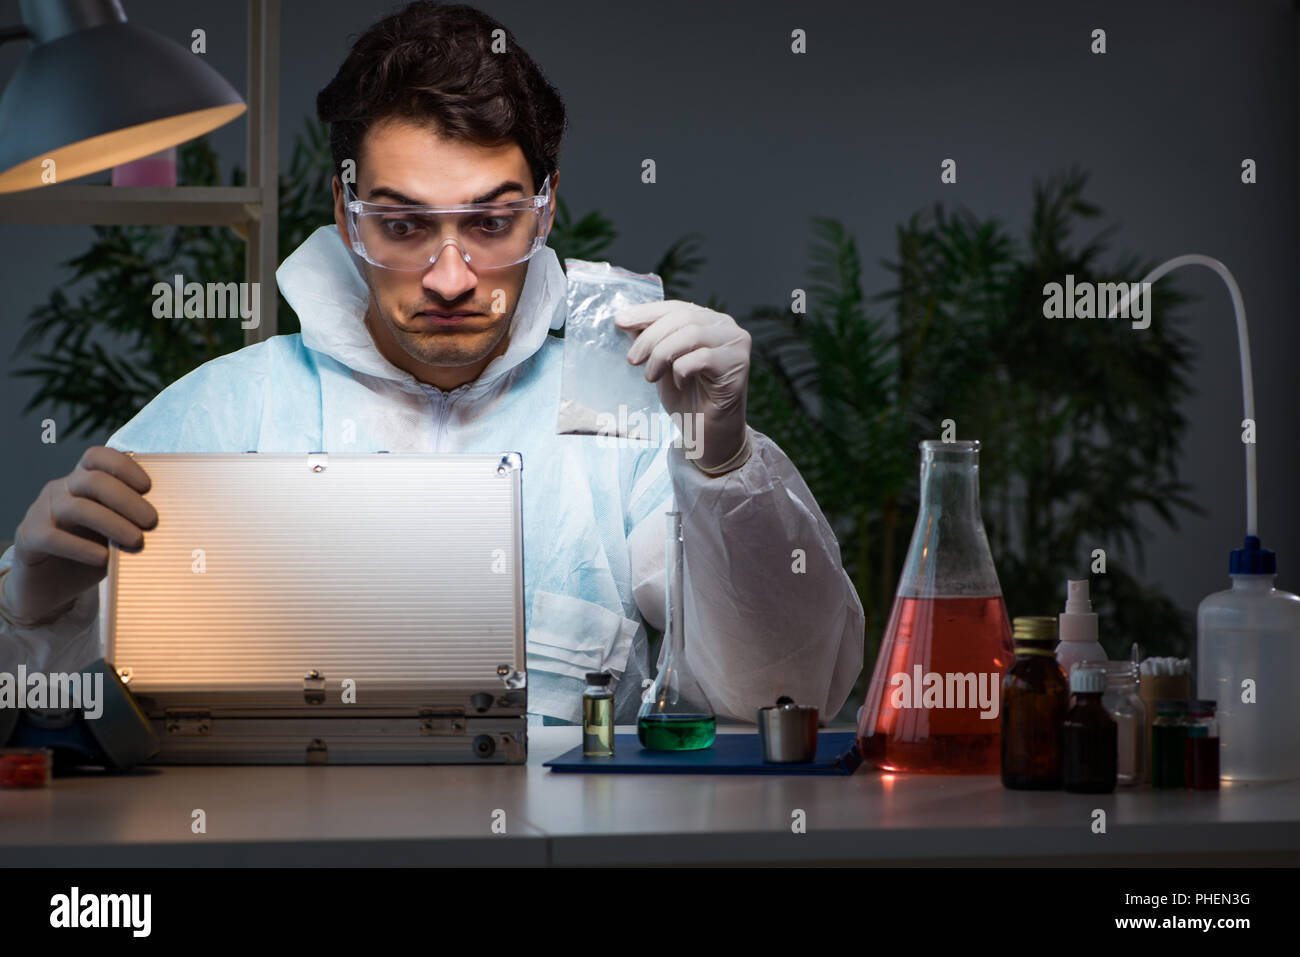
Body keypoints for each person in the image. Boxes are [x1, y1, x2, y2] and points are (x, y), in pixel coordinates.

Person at [0, 1, 863, 726]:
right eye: (403, 224)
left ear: (547, 209)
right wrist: (29, 599)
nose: (451, 279)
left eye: (491, 223)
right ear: (344, 212)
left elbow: (786, 698)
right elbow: (52, 720)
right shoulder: (219, 418)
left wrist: (724, 464)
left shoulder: (631, 426)